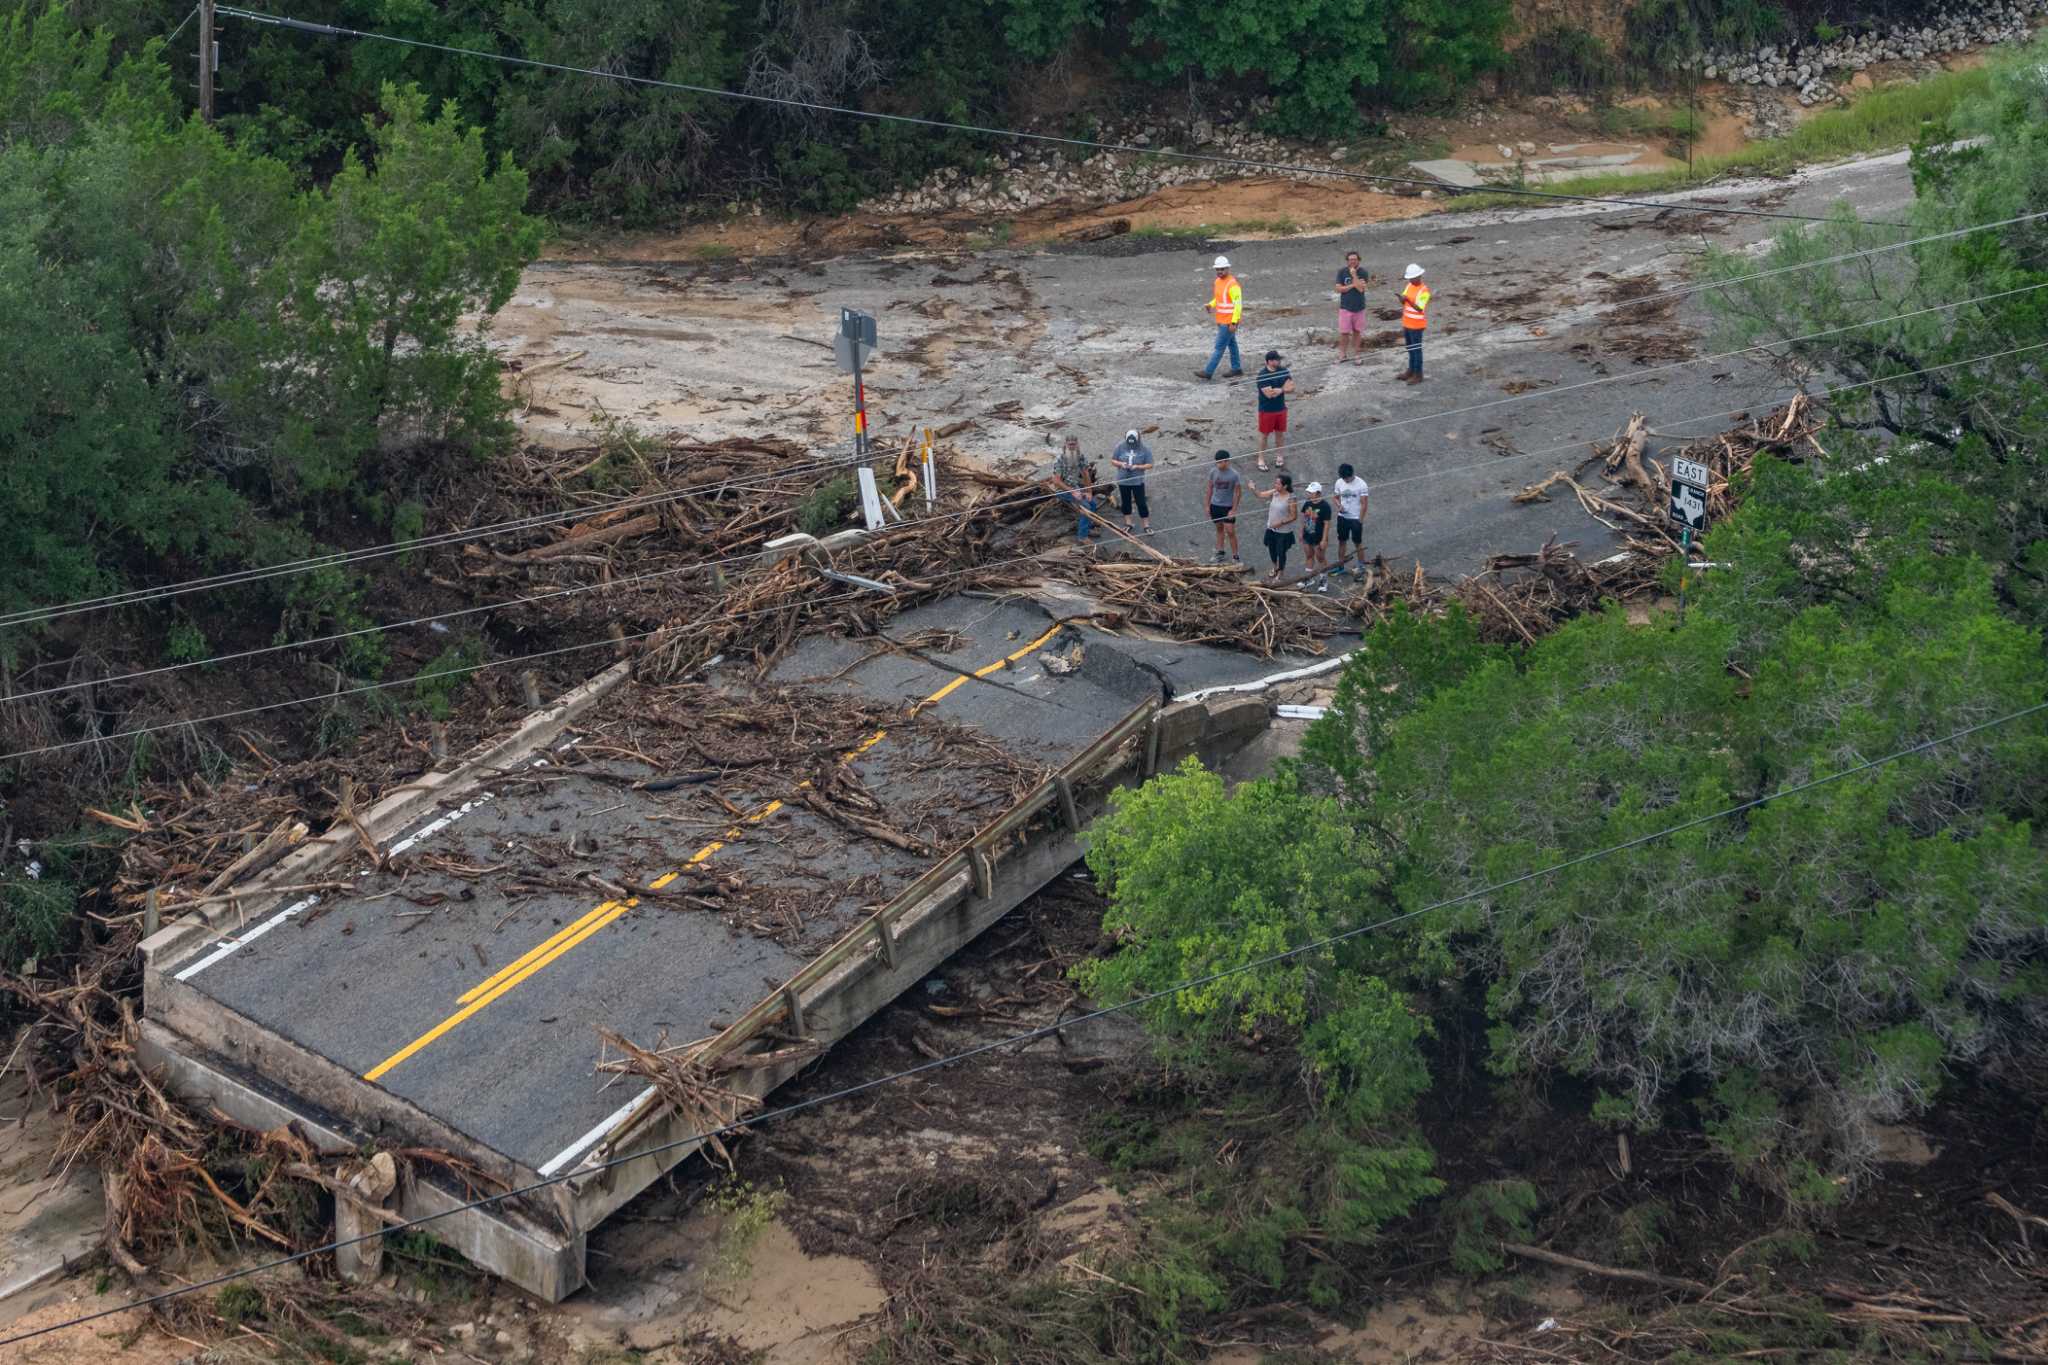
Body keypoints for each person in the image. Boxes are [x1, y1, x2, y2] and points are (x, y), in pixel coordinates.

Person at [1196, 255, 1244, 380]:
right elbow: (1219, 298)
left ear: (1228, 268)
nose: (1219, 272)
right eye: (1217, 269)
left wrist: (1234, 322)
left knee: (1219, 347)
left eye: (1222, 269)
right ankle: (1236, 368)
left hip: (1228, 322)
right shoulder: (1218, 282)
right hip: (1221, 320)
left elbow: (1238, 305)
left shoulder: (1233, 285)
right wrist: (1211, 304)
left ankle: (1208, 371)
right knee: (1232, 344)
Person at [1253, 472, 1299, 583]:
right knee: (1272, 550)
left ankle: (1280, 572)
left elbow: (1293, 516)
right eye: (1275, 483)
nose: (1275, 485)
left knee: (1281, 552)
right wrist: (1253, 488)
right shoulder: (1275, 493)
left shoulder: (1291, 498)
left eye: (1278, 484)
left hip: (1283, 531)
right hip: (1271, 528)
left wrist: (1280, 523)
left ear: (1285, 486)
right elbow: (1260, 495)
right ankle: (1275, 567)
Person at [1254, 350, 1294, 471]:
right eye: (1277, 359)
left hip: (1281, 409)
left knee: (1280, 434)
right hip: (1266, 410)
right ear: (1270, 361)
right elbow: (1269, 394)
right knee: (1264, 435)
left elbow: (1291, 387)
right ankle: (1261, 458)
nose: (1279, 361)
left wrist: (1280, 390)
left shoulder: (1283, 371)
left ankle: (1279, 456)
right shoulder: (1262, 375)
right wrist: (1282, 388)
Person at [1109, 429, 1154, 535]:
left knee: (1141, 503)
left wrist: (1137, 466)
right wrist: (1121, 464)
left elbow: (1150, 464)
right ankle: (1128, 523)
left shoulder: (1145, 449)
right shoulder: (1120, 446)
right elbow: (1113, 460)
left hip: (1137, 481)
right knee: (1126, 502)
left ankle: (1146, 525)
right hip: (1123, 480)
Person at [1330, 462, 1370, 577]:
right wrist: (1339, 506)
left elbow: (1364, 504)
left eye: (1347, 478)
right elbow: (1336, 497)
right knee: (1342, 541)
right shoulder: (1339, 482)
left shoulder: (1361, 484)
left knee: (1357, 542)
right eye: (1344, 478)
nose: (1346, 480)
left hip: (1355, 518)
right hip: (1343, 517)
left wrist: (1360, 520)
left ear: (1352, 474)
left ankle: (1361, 566)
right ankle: (1341, 566)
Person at [1205, 449, 1243, 564]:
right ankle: (1220, 552)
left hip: (1227, 507)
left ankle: (1236, 556)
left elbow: (1238, 493)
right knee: (1219, 529)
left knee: (1230, 531)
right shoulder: (1213, 472)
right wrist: (1207, 505)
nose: (1219, 465)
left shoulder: (1234, 475)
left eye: (1221, 462)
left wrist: (1234, 509)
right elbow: (1209, 488)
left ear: (1227, 461)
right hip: (1215, 505)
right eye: (1217, 462)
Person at [1335, 251, 1371, 366]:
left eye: (1354, 259)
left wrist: (1354, 275)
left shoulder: (1363, 272)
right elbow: (1339, 289)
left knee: (1357, 332)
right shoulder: (1342, 272)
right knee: (1344, 333)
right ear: (1347, 261)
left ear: (1358, 260)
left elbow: (1361, 289)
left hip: (1359, 308)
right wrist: (1353, 285)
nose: (1352, 261)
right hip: (1345, 307)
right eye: (1350, 259)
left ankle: (1357, 355)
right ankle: (1342, 354)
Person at [1397, 263, 1430, 384]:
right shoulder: (1409, 286)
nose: (1410, 280)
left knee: (1416, 350)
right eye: (1409, 278)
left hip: (1417, 325)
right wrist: (1401, 298)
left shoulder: (1424, 291)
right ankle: (1410, 371)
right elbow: (1403, 301)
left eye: (1412, 278)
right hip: (1407, 323)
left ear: (1419, 276)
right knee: (1410, 349)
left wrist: (1408, 300)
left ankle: (1418, 374)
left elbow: (1419, 308)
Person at [1299, 480, 1332, 590]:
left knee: (1320, 558)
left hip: (1318, 537)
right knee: (1309, 555)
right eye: (1309, 492)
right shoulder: (1307, 503)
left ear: (1318, 493)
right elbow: (1304, 518)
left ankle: (1323, 581)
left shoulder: (1325, 506)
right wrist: (1301, 532)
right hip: (1307, 535)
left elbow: (1327, 524)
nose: (1309, 494)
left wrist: (1324, 540)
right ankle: (1309, 578)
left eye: (1311, 492)